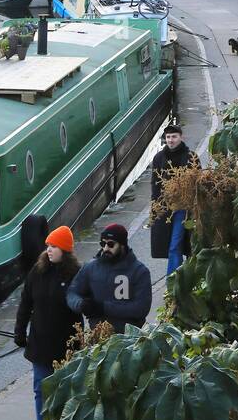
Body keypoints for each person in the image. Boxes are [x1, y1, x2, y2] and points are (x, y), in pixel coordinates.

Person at [13, 226, 81, 420]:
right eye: (48, 246)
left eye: (54, 246)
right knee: (41, 392)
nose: (49, 250)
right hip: (40, 344)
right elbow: (25, 303)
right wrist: (19, 333)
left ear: (65, 250)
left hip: (66, 345)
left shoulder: (75, 275)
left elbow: (83, 304)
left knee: (66, 392)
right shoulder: (37, 272)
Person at [66, 223, 151, 334]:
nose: (105, 248)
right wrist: (81, 304)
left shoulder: (139, 271)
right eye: (103, 243)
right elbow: (72, 293)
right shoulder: (90, 267)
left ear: (122, 245)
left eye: (111, 244)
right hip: (98, 339)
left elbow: (141, 308)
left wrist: (104, 308)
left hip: (129, 340)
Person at [150, 124, 200, 274]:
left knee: (175, 245)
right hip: (166, 209)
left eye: (174, 137)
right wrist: (155, 206)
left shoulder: (191, 157)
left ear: (180, 137)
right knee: (173, 245)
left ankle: (173, 281)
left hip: (184, 209)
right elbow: (155, 184)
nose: (170, 140)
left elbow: (198, 182)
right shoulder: (159, 157)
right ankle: (176, 280)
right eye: (168, 137)